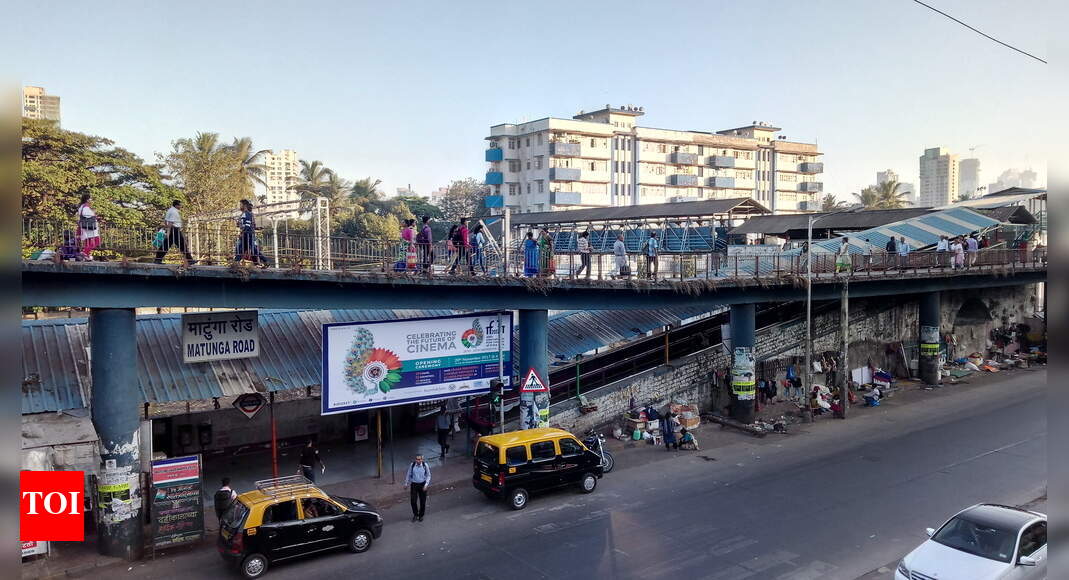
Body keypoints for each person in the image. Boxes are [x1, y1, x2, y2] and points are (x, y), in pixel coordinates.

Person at [154, 200, 196, 265]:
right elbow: (170, 222)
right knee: (182, 244)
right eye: (180, 205)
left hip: (172, 229)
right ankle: (189, 259)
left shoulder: (170, 210)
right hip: (174, 229)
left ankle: (158, 259)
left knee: (166, 245)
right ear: (176, 205)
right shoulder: (174, 212)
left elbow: (165, 221)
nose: (181, 206)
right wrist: (168, 232)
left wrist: (167, 228)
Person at [234, 199, 268, 266]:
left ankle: (265, 261)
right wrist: (238, 224)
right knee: (240, 249)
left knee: (250, 250)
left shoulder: (247, 214)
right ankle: (236, 263)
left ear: (245, 205)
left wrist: (242, 233)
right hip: (246, 234)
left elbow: (247, 225)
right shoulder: (243, 214)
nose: (239, 206)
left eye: (240, 205)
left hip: (247, 235)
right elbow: (242, 224)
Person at [403, 454, 431, 522]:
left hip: (422, 485)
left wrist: (426, 485)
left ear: (422, 459)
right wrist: (406, 483)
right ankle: (415, 514)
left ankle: (421, 515)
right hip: (414, 485)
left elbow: (428, 475)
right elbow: (408, 474)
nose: (418, 461)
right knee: (413, 501)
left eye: (419, 459)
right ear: (415, 459)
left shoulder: (425, 465)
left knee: (422, 502)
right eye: (417, 459)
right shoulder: (412, 465)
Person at [76, 194, 101, 260]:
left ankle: (86, 255)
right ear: (87, 200)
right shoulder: (86, 207)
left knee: (88, 242)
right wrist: (94, 214)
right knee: (96, 241)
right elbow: (86, 214)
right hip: (90, 227)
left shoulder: (81, 206)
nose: (91, 200)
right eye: (90, 199)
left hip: (85, 226)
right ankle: (85, 252)